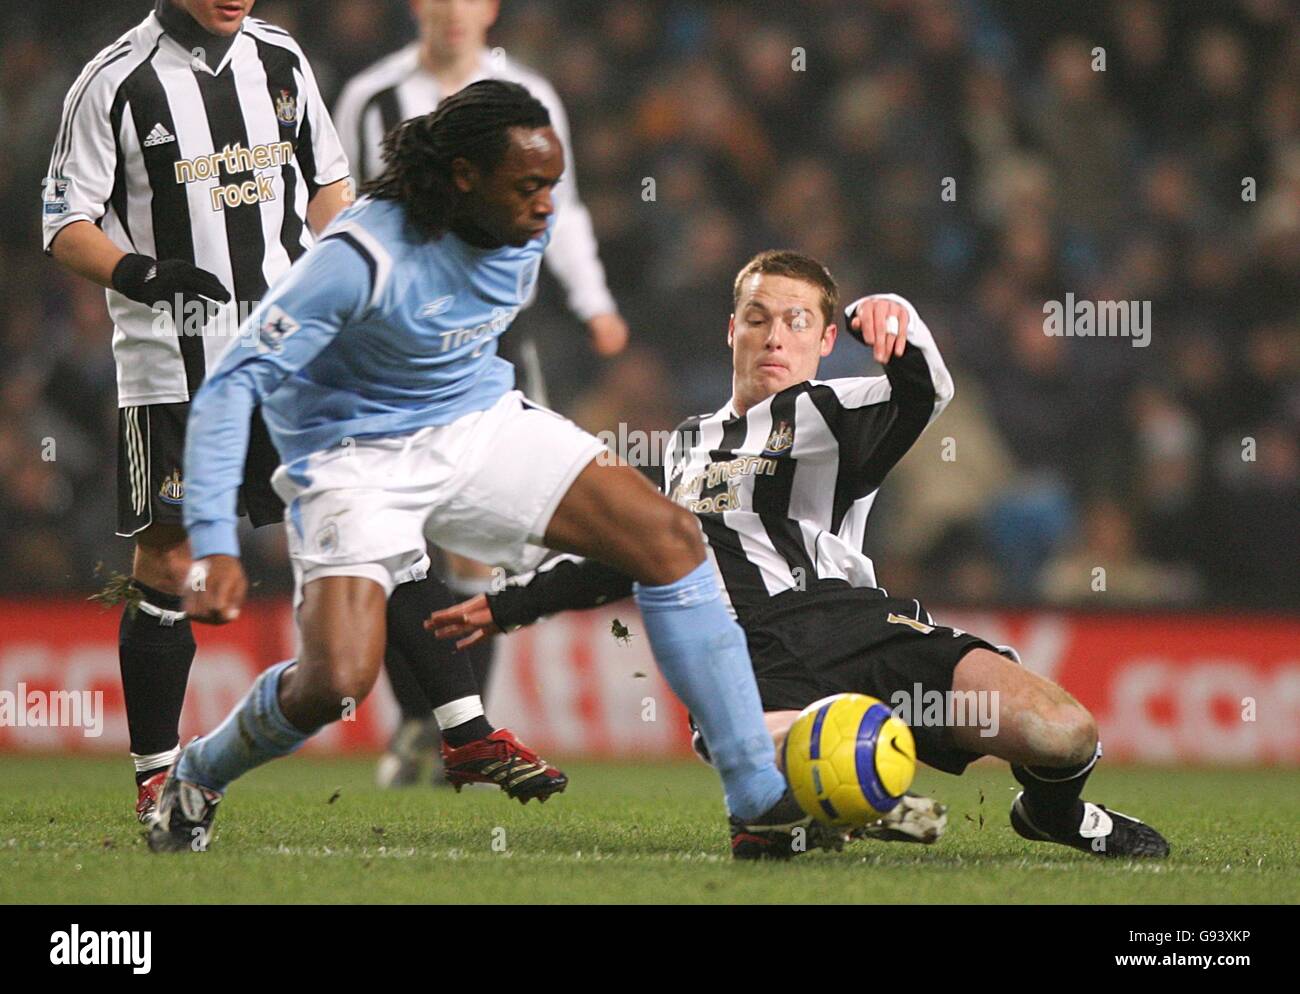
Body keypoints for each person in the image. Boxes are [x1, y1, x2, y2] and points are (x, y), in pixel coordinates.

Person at [147, 81, 809, 861]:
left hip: (476, 422)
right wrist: (215, 542)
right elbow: (232, 384)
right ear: (463, 175)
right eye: (527, 187)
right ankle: (197, 773)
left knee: (670, 536)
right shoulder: (359, 259)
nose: (544, 207)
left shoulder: (522, 227)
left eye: (552, 185)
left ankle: (759, 797)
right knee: (335, 681)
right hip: (352, 456)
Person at [429, 250, 1172, 860]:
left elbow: (923, 394)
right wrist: (510, 603)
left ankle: (1053, 814)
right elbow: (629, 554)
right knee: (768, 805)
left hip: (860, 626)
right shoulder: (685, 445)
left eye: (796, 321)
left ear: (824, 340)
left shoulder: (831, 414)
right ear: (731, 331)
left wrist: (897, 321)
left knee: (1064, 733)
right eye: (758, 319)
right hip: (748, 653)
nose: (774, 336)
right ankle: (813, 804)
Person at [42, 0, 353, 823]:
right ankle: (158, 774)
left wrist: (349, 270)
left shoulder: (281, 59)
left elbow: (328, 185)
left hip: (286, 358)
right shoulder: (112, 80)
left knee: (360, 519)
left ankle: (460, 728)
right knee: (169, 563)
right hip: (172, 373)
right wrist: (142, 274)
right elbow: (63, 223)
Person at [334, 0, 629, 787]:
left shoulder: (526, 95)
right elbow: (337, 209)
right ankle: (419, 725)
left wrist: (594, 301)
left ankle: (458, 734)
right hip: (391, 342)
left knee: (474, 541)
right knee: (397, 533)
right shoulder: (370, 98)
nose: (454, 10)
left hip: (490, 337)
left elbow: (560, 209)